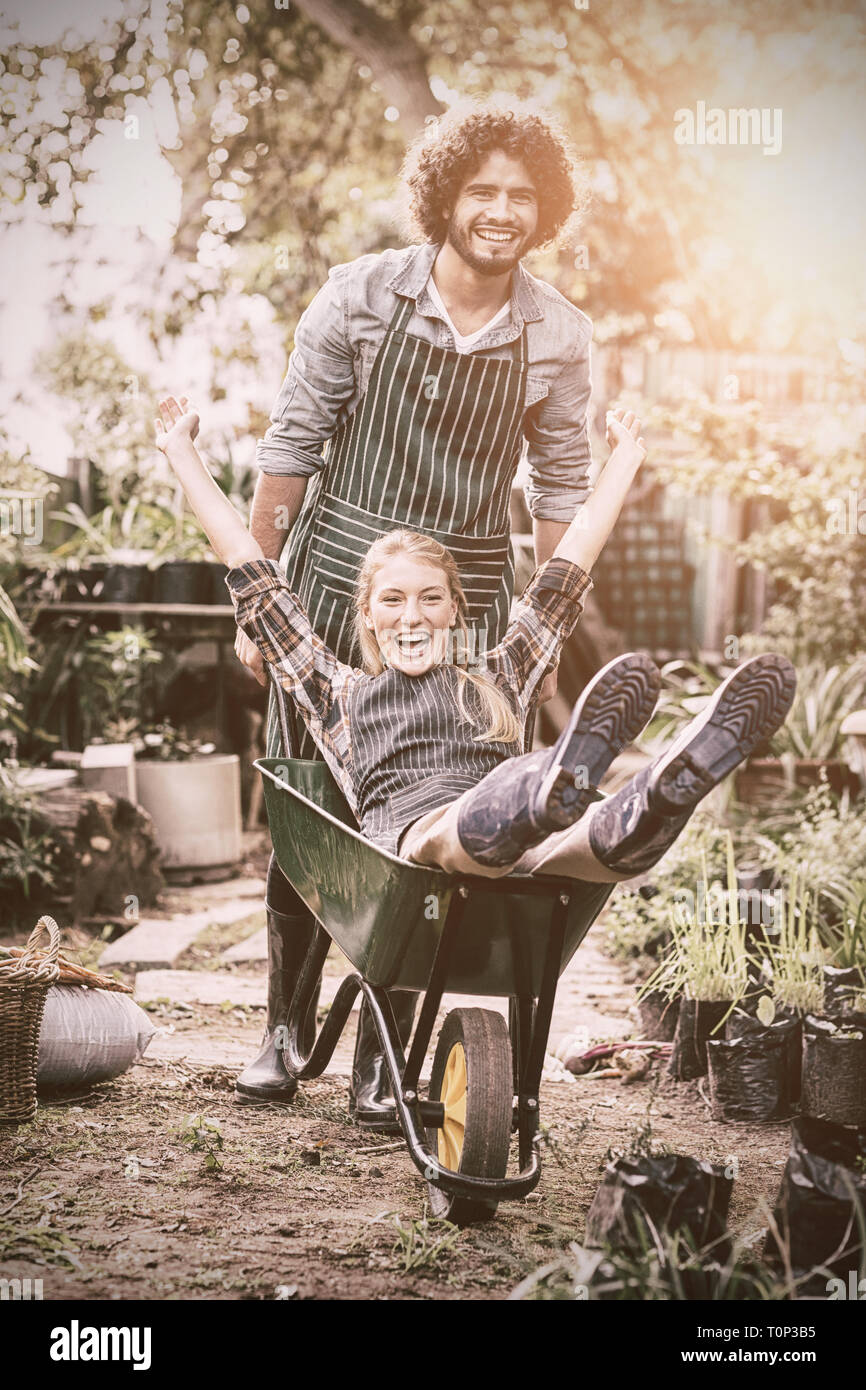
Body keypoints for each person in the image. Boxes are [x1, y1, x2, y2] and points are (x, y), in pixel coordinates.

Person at [154, 393, 797, 1026]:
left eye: (431, 598)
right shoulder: (336, 690)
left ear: (456, 608)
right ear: (369, 617)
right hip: (411, 852)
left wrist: (623, 461)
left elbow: (566, 571)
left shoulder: (501, 673)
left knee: (573, 847)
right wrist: (181, 453)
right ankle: (540, 797)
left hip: (513, 850)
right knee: (457, 833)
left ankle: (652, 797)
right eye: (393, 601)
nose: (412, 616)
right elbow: (253, 570)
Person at [233, 103, 601, 1119]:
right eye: (479, 190)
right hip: (342, 574)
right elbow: (288, 451)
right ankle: (282, 1021)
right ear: (444, 195)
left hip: (470, 592)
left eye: (520, 195)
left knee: (440, 797)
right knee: (315, 800)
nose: (499, 211)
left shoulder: (556, 332)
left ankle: (383, 1041)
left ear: (543, 209)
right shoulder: (358, 295)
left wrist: (545, 619)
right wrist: (254, 593)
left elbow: (564, 485)